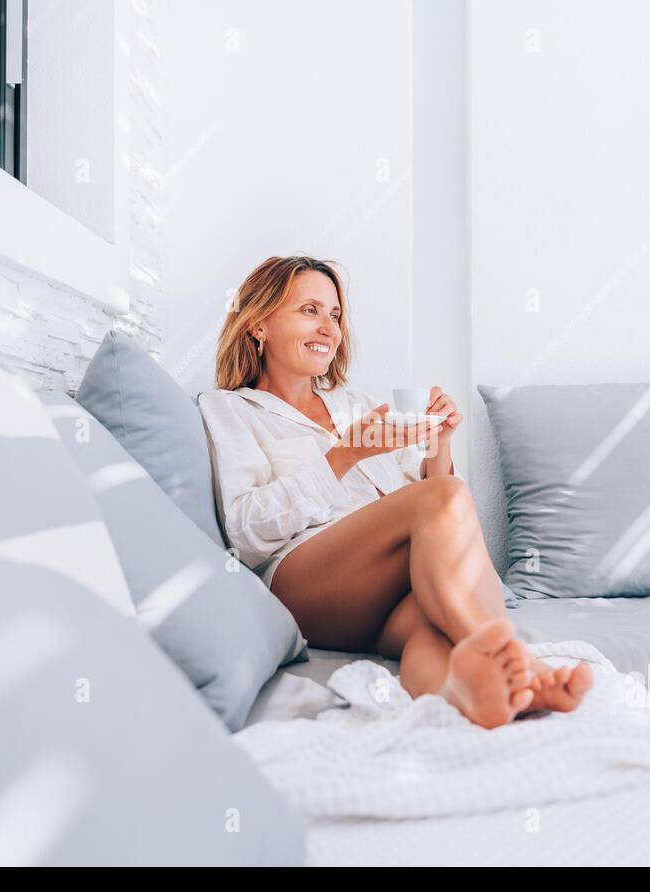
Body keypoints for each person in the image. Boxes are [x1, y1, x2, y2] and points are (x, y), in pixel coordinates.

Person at [198, 256, 592, 729]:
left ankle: (471, 697)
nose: (329, 327)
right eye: (309, 310)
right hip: (305, 584)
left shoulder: (358, 406)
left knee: (428, 625)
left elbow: (437, 507)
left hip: (385, 589)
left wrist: (438, 441)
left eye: (335, 315)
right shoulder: (230, 409)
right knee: (444, 498)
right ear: (258, 324)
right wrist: (343, 457)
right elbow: (245, 531)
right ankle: (514, 657)